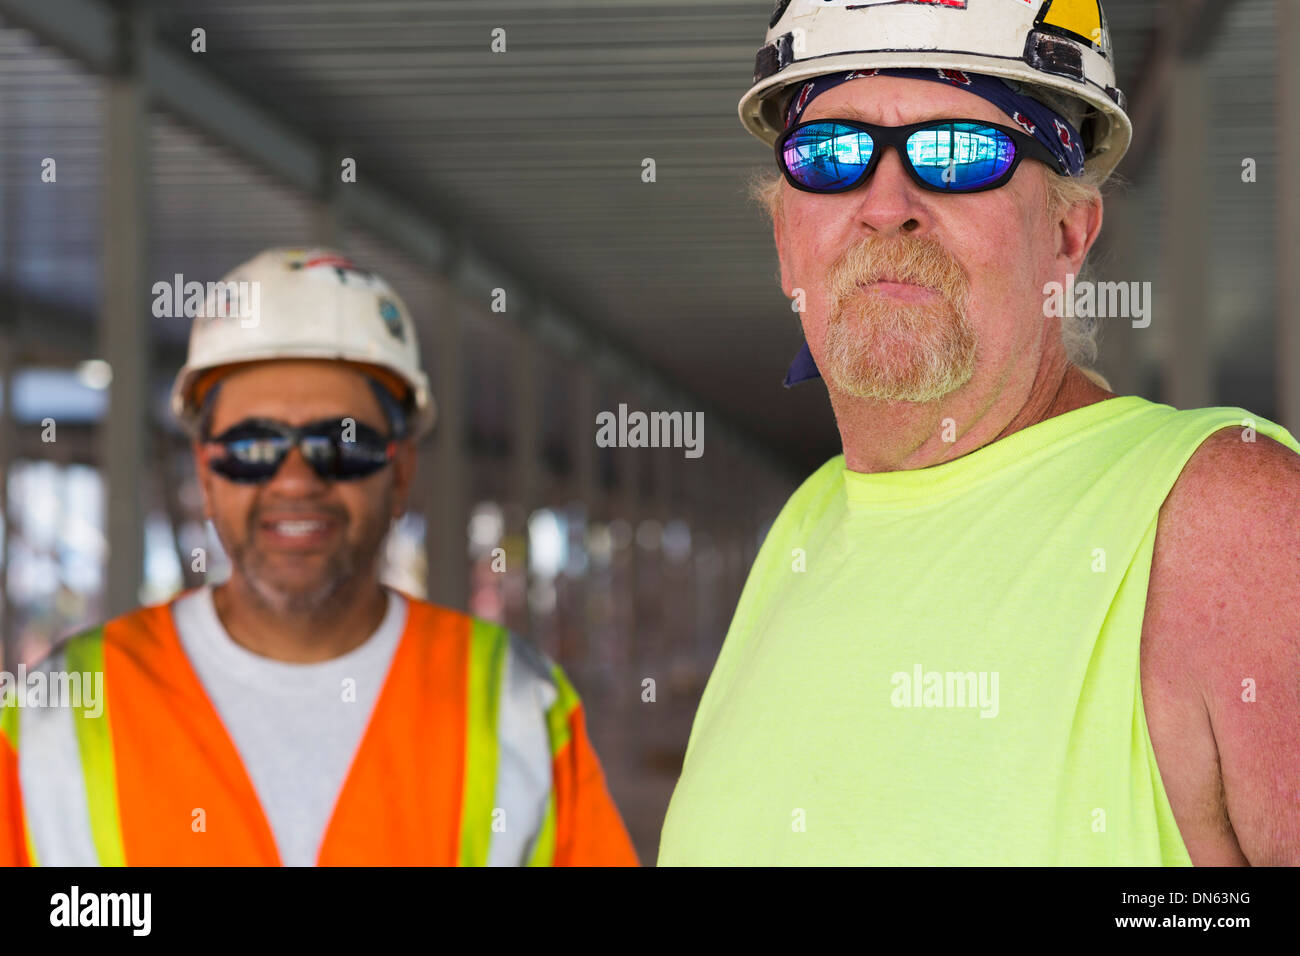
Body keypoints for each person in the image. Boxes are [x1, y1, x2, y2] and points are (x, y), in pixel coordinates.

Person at [659, 0, 1299, 865]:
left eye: (959, 151)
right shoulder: (807, 529)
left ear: (1069, 235)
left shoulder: (1229, 524)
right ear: (785, 241)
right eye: (831, 154)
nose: (886, 205)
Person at [0, 247, 638, 866]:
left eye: (344, 441)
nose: (297, 479)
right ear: (206, 471)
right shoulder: (57, 713)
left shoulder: (519, 707)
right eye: (252, 446)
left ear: (402, 467)